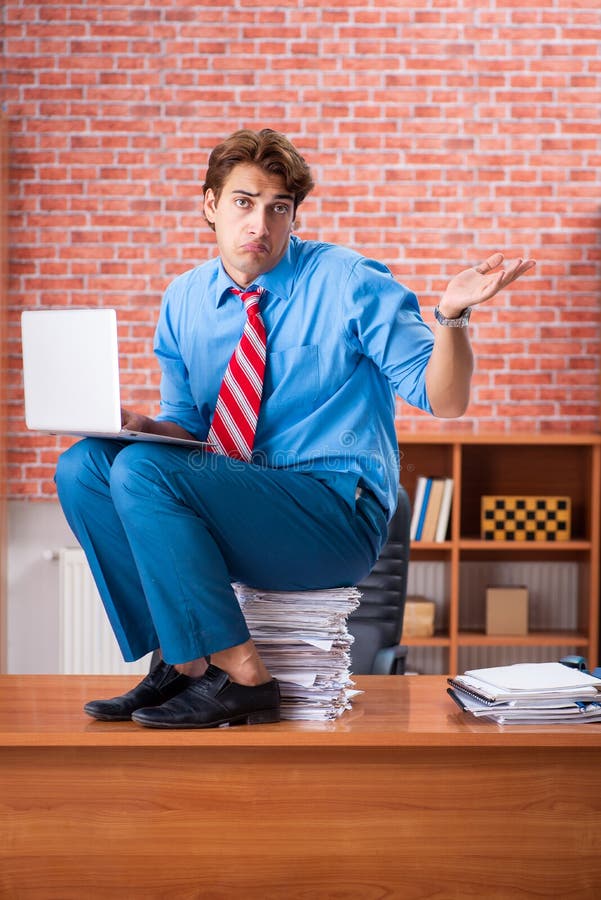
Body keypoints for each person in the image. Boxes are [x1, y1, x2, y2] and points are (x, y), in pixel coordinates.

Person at [55, 128, 535, 729]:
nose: (260, 223)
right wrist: (143, 426)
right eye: (243, 202)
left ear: (293, 215)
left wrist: (453, 317)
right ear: (210, 205)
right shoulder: (183, 300)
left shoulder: (349, 281)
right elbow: (191, 429)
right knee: (83, 466)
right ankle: (182, 662)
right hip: (236, 499)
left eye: (278, 207)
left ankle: (246, 679)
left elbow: (445, 399)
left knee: (143, 470)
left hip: (332, 515)